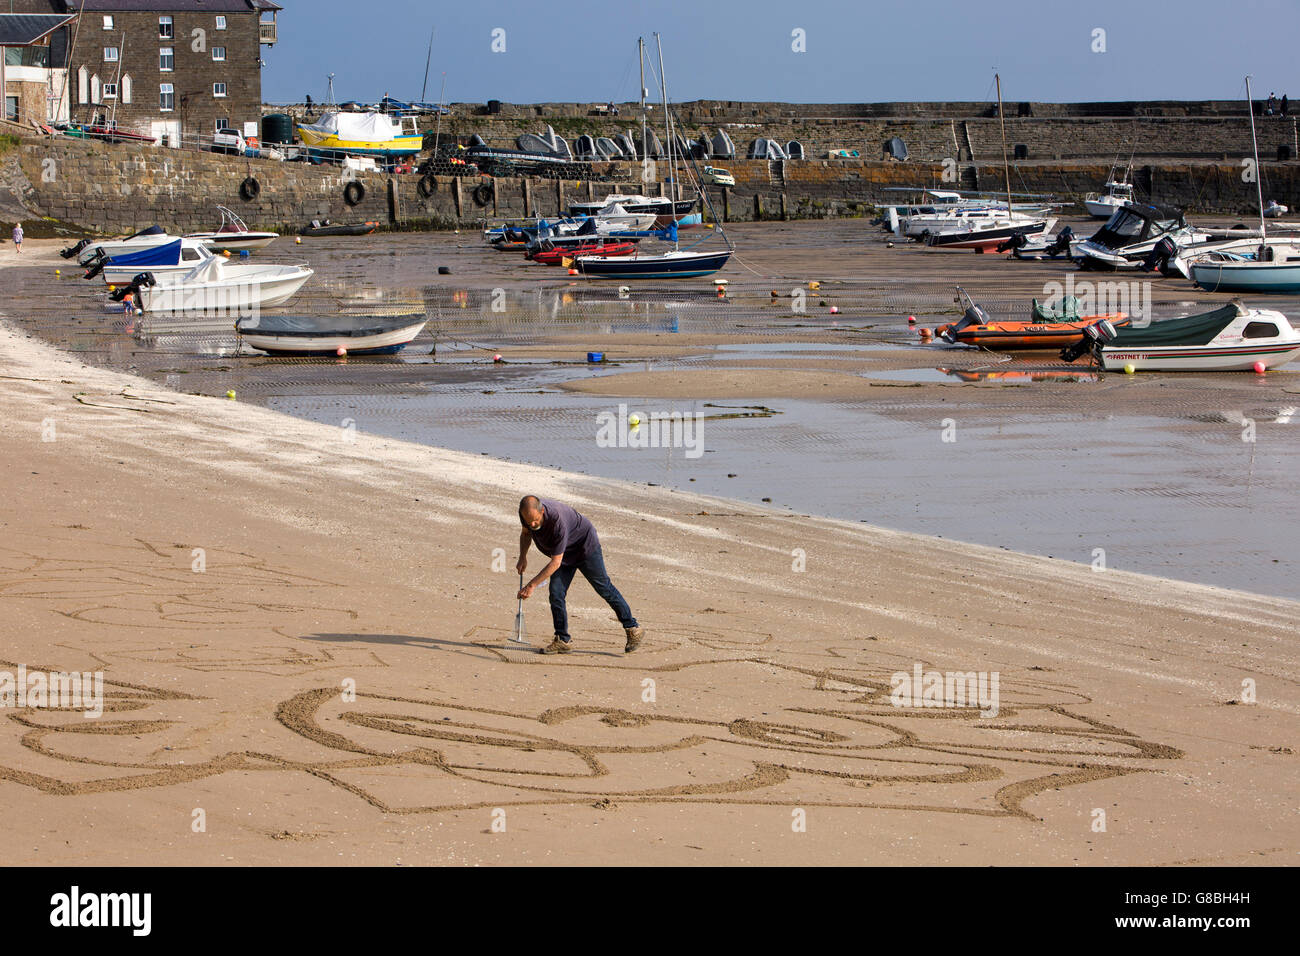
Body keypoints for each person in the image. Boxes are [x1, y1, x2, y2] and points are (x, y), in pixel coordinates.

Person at [515, 495, 643, 655]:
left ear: (542, 511)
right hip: (563, 553)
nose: (532, 524)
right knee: (556, 594)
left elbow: (555, 563)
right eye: (529, 521)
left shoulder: (557, 520)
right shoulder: (525, 515)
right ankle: (563, 639)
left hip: (585, 548)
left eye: (535, 520)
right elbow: (526, 534)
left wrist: (531, 585)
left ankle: (633, 628)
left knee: (604, 588)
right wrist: (522, 556)